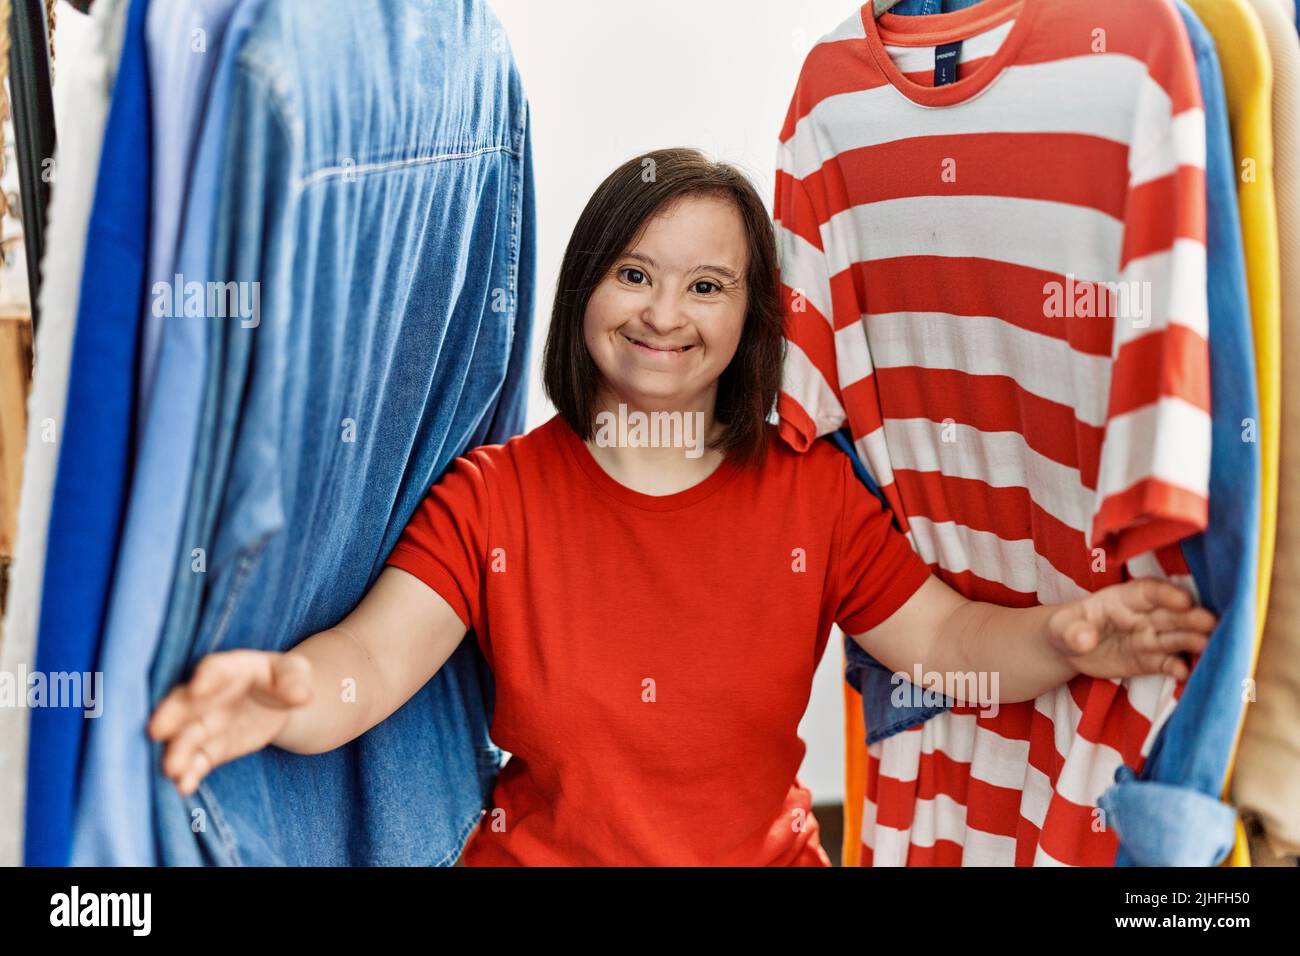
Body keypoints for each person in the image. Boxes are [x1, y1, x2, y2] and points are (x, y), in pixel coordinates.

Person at [148, 148, 1216, 866]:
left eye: (707, 285)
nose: (664, 313)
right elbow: (370, 665)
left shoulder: (810, 488)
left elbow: (940, 638)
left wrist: (1065, 636)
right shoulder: (494, 495)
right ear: (584, 292)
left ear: (751, 316)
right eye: (633, 272)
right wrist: (286, 692)